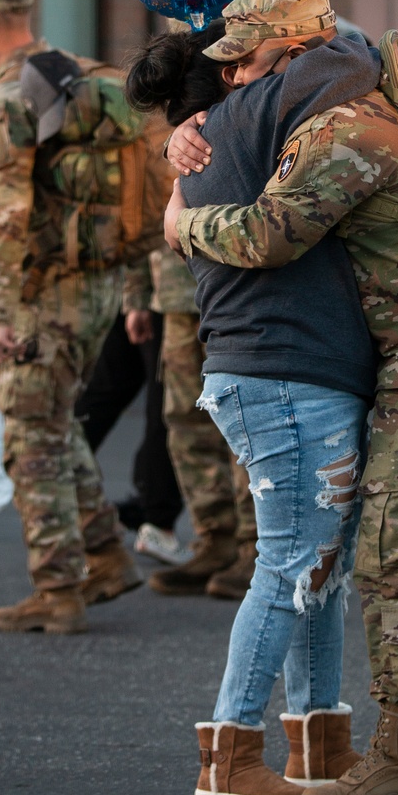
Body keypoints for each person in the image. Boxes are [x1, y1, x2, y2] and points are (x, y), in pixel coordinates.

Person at [167, 0, 398, 795]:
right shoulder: (374, 96)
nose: (232, 78)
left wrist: (182, 223)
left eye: (244, 62)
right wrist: (188, 129)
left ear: (292, 52)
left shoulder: (345, 126)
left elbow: (269, 233)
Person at [128, 2, 379, 795]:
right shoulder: (250, 115)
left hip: (280, 373)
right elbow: (355, 56)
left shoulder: (213, 136)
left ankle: (316, 744)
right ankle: (230, 758)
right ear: (240, 72)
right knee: (292, 565)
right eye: (265, 57)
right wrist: (305, 25)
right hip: (287, 376)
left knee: (319, 569)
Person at [0, 0, 146, 634]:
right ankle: (106, 555)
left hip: (40, 294)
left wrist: (0, 314)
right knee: (58, 424)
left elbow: (3, 216)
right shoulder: (72, 75)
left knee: (30, 438)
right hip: (95, 286)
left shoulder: (8, 96)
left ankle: (58, 589)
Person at [122, 246, 257, 599]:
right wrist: (137, 296)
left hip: (234, 285)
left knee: (239, 420)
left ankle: (255, 548)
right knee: (185, 422)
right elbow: (143, 218)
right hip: (176, 293)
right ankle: (217, 540)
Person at [76, 297, 190, 567]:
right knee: (166, 402)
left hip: (131, 293)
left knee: (104, 393)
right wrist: (137, 298)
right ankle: (158, 522)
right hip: (158, 297)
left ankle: (55, 492)